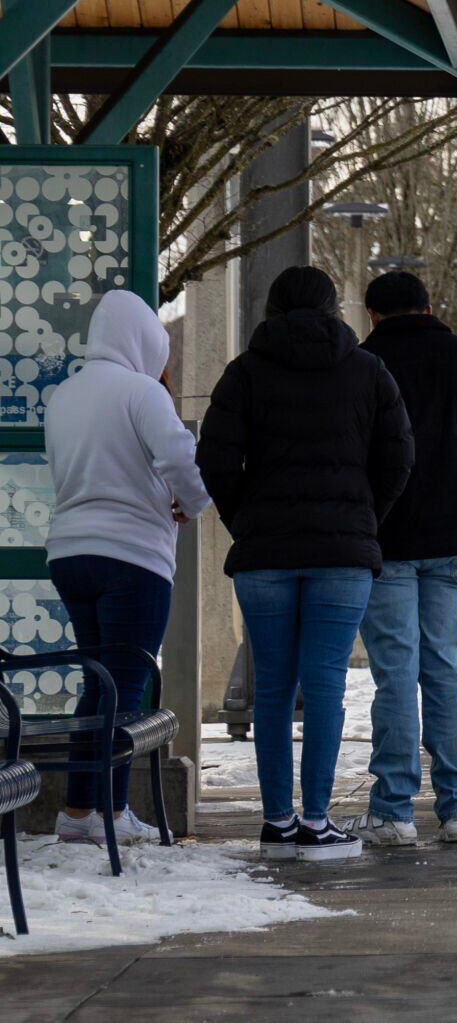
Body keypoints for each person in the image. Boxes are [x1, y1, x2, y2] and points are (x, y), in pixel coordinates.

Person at [197, 267, 413, 862]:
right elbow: (399, 457)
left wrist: (247, 518)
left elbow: (214, 459)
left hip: (265, 553)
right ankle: (317, 823)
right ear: (332, 308)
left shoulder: (244, 374)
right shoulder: (369, 371)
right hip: (342, 555)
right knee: (324, 684)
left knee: (272, 688)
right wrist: (364, 516)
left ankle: (276, 823)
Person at [345, 272, 457, 847]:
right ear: (429, 307)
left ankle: (393, 813)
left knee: (394, 675)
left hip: (386, 538)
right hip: (453, 537)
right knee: (445, 669)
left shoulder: (362, 362)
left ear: (372, 314)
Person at [45, 290, 211, 848]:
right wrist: (191, 503)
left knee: (97, 683)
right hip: (133, 556)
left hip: (70, 555)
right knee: (128, 687)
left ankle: (77, 810)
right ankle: (113, 813)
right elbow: (181, 459)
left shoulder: (63, 394)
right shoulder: (142, 392)